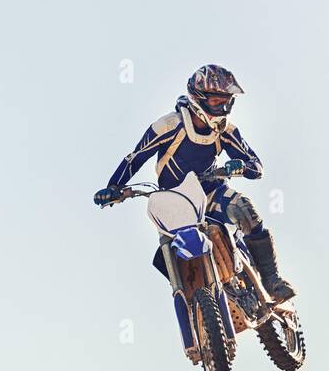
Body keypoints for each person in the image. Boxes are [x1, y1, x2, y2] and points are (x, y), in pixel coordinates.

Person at [93, 64, 295, 302]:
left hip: (211, 194)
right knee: (166, 247)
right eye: (217, 102)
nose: (223, 108)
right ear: (199, 98)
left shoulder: (225, 131)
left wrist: (241, 166)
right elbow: (136, 157)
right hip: (174, 200)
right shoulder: (168, 126)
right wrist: (113, 187)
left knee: (245, 209)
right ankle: (194, 300)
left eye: (227, 102)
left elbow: (256, 165)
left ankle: (272, 280)